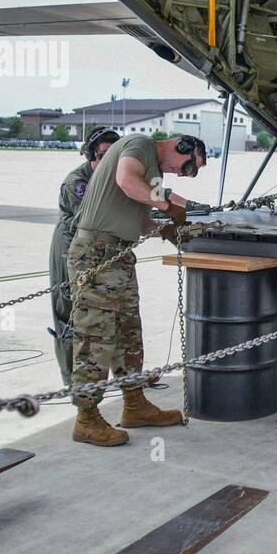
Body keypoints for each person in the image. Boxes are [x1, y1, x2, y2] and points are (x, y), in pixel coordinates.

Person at [67, 133, 207, 447]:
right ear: (179, 145)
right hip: (97, 254)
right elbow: (126, 179)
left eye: (189, 173)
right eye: (187, 167)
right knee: (96, 336)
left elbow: (143, 220)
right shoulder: (140, 145)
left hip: (118, 255)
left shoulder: (153, 174)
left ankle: (134, 404)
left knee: (128, 333)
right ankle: (86, 419)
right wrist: (167, 205)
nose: (182, 174)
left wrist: (171, 229)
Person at [49, 126, 120, 385]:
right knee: (69, 312)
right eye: (103, 156)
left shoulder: (114, 178)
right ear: (91, 156)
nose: (109, 162)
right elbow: (87, 220)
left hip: (98, 248)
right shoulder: (77, 183)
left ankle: (114, 377)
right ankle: (71, 381)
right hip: (69, 248)